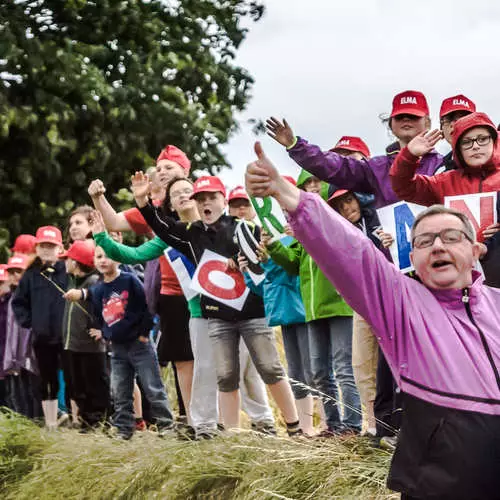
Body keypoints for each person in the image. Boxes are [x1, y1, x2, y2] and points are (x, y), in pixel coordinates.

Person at [246, 141, 500, 499]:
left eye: (451, 237)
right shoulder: (403, 306)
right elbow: (352, 253)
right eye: (425, 241)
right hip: (438, 486)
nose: (439, 246)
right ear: (413, 256)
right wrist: (287, 194)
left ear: (476, 251)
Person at [131, 172, 301, 435]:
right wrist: (143, 202)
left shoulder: (244, 227)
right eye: (201, 198)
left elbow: (268, 259)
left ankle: (295, 427)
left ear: (223, 200)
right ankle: (231, 434)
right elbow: (163, 228)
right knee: (225, 375)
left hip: (253, 313)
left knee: (270, 368)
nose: (206, 203)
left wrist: (246, 260)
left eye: (212, 197)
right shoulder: (192, 233)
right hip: (217, 318)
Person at [88, 145, 192, 423]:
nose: (163, 172)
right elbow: (120, 231)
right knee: (183, 359)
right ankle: (191, 419)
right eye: (159, 169)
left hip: (208, 292)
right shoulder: (156, 216)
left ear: (186, 170)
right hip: (172, 293)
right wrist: (98, 199)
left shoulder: (198, 200)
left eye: (170, 167)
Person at [265, 181, 361, 435]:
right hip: (313, 310)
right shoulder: (300, 228)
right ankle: (333, 424)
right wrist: (274, 246)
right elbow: (293, 264)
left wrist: (306, 232)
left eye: (316, 183)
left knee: (343, 368)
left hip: (341, 306)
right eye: (306, 185)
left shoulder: (335, 222)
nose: (313, 188)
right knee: (319, 372)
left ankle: (352, 425)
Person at [65, 247, 174, 440]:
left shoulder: (129, 280)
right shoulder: (99, 289)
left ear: (118, 259)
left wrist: (144, 333)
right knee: (120, 390)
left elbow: (147, 304)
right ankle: (124, 428)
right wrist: (103, 332)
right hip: (117, 348)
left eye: (108, 255)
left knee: (153, 387)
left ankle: (166, 425)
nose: (103, 260)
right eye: (99, 257)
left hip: (139, 345)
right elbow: (98, 313)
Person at [266, 90, 442, 208]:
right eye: (400, 116)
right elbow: (335, 166)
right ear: (391, 124)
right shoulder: (376, 168)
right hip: (390, 259)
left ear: (427, 122)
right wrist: (296, 146)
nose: (406, 120)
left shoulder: (442, 165)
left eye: (413, 116)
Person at [327, 188, 393, 435]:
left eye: (348, 200)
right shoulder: (341, 233)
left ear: (360, 197)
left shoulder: (382, 218)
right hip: (361, 302)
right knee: (361, 363)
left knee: (392, 363)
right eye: (339, 205)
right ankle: (374, 424)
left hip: (390, 299)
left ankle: (396, 423)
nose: (346, 208)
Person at [239, 228, 314, 435]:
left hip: (302, 313)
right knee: (296, 373)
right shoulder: (274, 244)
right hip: (285, 315)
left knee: (313, 371)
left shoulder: (293, 239)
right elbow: (268, 287)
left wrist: (267, 260)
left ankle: (325, 425)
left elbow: (288, 274)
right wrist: (247, 273)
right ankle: (304, 428)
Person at [227, 185, 276, 435]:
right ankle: (260, 420)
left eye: (245, 204)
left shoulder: (264, 234)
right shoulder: (224, 236)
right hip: (229, 311)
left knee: (266, 367)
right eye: (235, 205)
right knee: (240, 370)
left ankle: (266, 419)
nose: (241, 209)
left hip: (258, 308)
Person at [12, 226, 68, 430]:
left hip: (67, 336)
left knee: (72, 377)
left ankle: (76, 417)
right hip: (42, 338)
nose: (46, 250)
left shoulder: (68, 270)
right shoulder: (31, 275)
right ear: (36, 248)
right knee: (47, 379)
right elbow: (18, 303)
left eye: (51, 246)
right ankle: (51, 423)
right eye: (43, 246)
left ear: (60, 248)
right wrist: (31, 323)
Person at [390, 111, 500, 209]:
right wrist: (409, 155)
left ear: (494, 141)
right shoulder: (443, 183)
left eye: (482, 139)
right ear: (458, 150)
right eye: (466, 142)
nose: (475, 146)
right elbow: (404, 187)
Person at [61, 240, 110, 430]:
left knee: (95, 387)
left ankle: (97, 423)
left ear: (76, 262)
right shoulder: (72, 281)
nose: (65, 262)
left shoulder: (94, 283)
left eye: (68, 259)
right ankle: (85, 422)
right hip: (72, 345)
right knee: (77, 387)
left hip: (91, 348)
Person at [3, 254, 42, 419]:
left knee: (33, 396)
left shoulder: (32, 294)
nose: (14, 276)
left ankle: (38, 429)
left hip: (31, 354)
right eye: (11, 272)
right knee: (19, 399)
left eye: (19, 271)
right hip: (15, 357)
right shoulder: (12, 297)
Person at [435, 94, 476, 173]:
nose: (454, 124)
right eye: (449, 119)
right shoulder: (438, 169)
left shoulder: (492, 164)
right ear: (441, 127)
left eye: (464, 119)